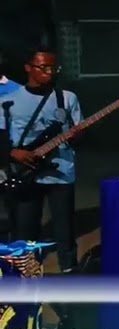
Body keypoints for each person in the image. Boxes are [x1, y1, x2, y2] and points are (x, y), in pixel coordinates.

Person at [0, 50, 82, 272]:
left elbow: (79, 136)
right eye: (43, 67)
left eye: (53, 68)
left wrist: (77, 136)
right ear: (28, 67)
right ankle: (26, 273)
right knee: (25, 229)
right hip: (25, 174)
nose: (49, 72)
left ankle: (69, 270)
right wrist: (12, 153)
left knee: (65, 228)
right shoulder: (8, 101)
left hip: (61, 171)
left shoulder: (67, 98)